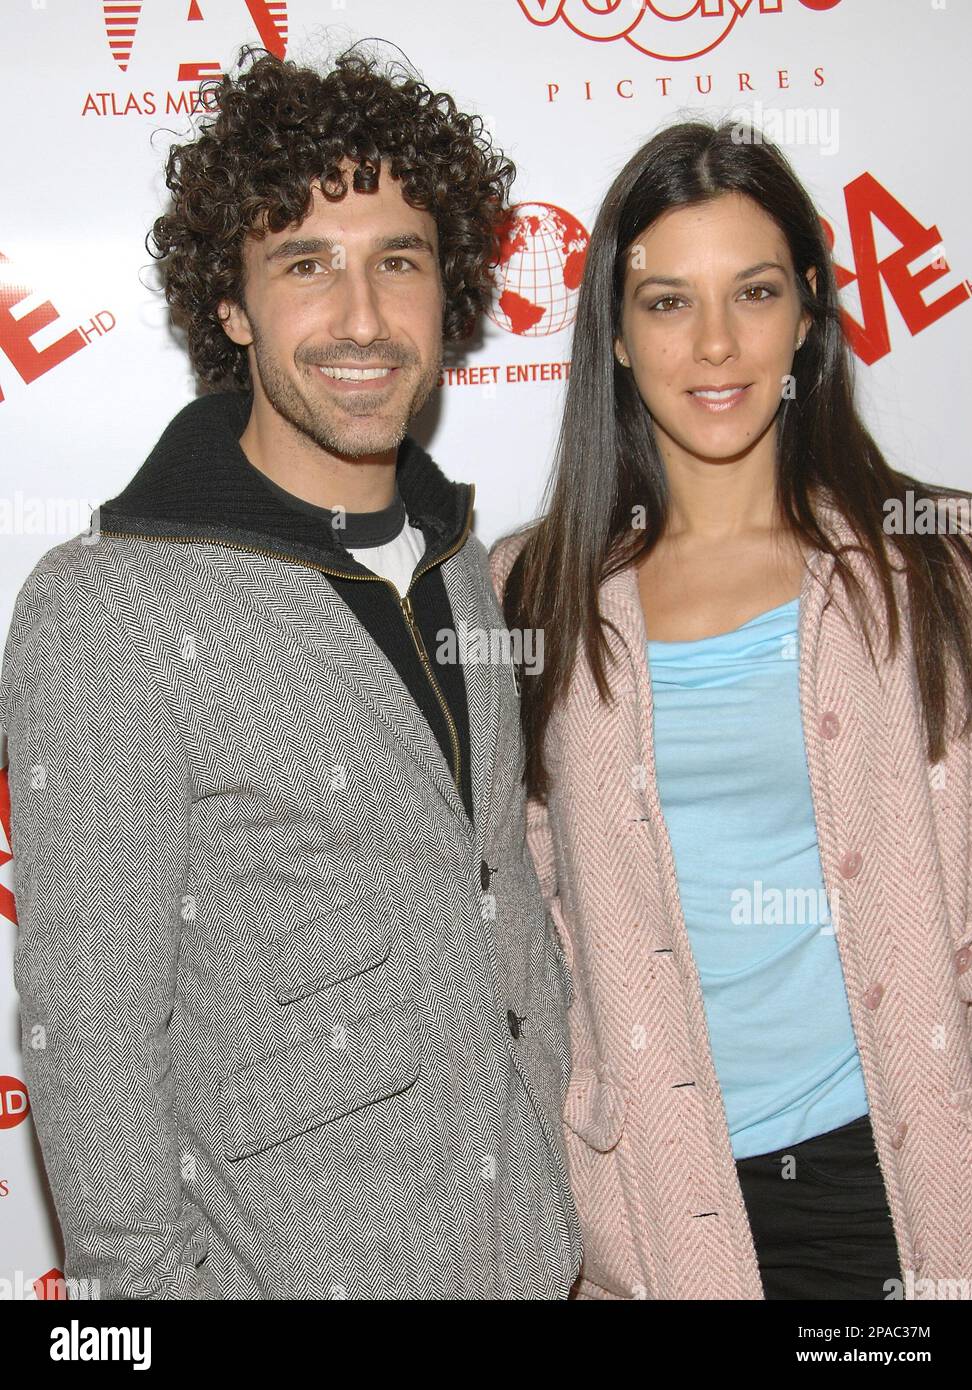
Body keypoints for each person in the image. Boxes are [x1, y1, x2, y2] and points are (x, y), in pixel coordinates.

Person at [0, 46, 581, 1300]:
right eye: (306, 263)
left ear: (452, 291)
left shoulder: (463, 558)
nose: (363, 318)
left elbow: (496, 900)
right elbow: (88, 1029)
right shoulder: (110, 605)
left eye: (399, 261)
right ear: (232, 303)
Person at [489, 119, 972, 1301]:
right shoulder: (527, 593)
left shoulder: (945, 563)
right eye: (667, 303)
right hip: (658, 1212)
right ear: (612, 328)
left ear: (809, 310)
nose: (716, 343)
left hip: (912, 1187)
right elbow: (518, 923)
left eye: (754, 292)